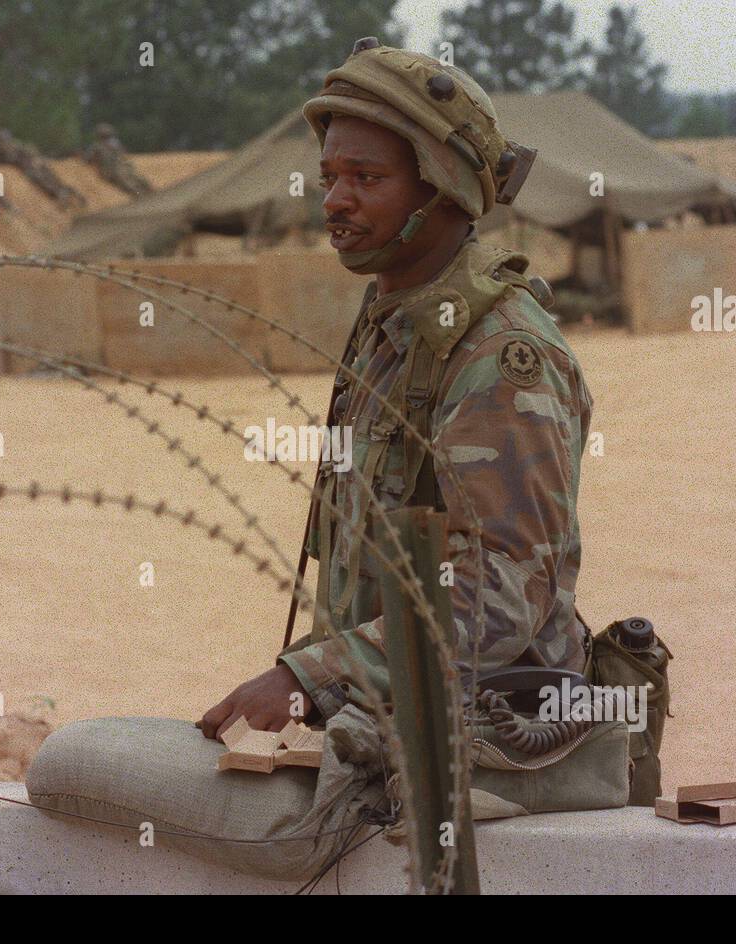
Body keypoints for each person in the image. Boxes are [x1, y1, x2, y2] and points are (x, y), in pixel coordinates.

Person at [197, 39, 592, 739]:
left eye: (366, 178)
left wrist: (312, 676)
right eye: (329, 178)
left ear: (440, 189)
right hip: (390, 731)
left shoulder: (496, 354)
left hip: (490, 747)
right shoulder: (396, 328)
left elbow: (503, 593)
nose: (336, 201)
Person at [0, 127, 87, 208]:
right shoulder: (0, 153)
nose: (2, 143)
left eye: (2, 140)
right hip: (29, 168)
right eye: (0, 141)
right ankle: (63, 194)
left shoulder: (17, 146)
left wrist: (36, 160)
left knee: (47, 179)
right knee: (42, 178)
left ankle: (65, 194)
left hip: (33, 166)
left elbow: (31, 153)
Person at [84, 122, 152, 197]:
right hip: (115, 168)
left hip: (115, 168)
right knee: (130, 181)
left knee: (130, 181)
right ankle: (142, 193)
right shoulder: (107, 144)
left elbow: (88, 159)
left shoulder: (102, 145)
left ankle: (143, 193)